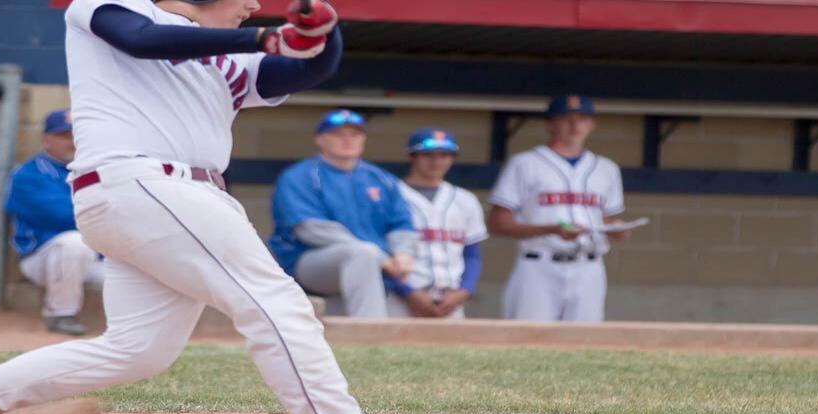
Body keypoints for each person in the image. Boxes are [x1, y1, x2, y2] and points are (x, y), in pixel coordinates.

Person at [0, 0, 454, 414]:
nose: (254, 5)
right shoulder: (111, 6)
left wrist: (322, 36)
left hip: (162, 198)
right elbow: (145, 38)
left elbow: (303, 71)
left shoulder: (224, 53)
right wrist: (266, 36)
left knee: (138, 349)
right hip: (143, 181)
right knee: (276, 302)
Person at [488, 95, 633, 322]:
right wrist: (552, 229)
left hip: (589, 267)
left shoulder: (606, 168)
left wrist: (618, 230)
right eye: (566, 118)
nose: (575, 125)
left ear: (592, 124)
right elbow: (497, 223)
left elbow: (609, 219)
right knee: (527, 340)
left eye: (583, 119)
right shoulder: (525, 163)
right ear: (550, 123)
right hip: (538, 264)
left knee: (585, 342)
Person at [268, 109, 416, 318]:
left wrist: (403, 254)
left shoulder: (381, 178)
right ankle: (370, 332)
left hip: (374, 264)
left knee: (370, 258)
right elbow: (310, 229)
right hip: (309, 262)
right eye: (338, 134)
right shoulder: (301, 175)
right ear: (320, 139)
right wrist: (380, 257)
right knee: (362, 254)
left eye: (355, 134)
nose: (347, 140)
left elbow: (401, 223)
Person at [6, 109, 105, 336]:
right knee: (74, 243)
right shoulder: (29, 174)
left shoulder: (95, 171)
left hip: (95, 258)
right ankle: (60, 313)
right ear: (46, 140)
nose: (71, 141)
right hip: (43, 257)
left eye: (75, 135)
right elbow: (65, 215)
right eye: (63, 135)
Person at [388, 128, 487, 319]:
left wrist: (465, 291)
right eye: (428, 155)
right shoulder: (391, 196)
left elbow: (472, 255)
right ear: (412, 156)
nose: (437, 161)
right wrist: (408, 292)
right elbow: (382, 252)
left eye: (444, 155)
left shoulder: (465, 199)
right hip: (401, 298)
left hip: (451, 300)